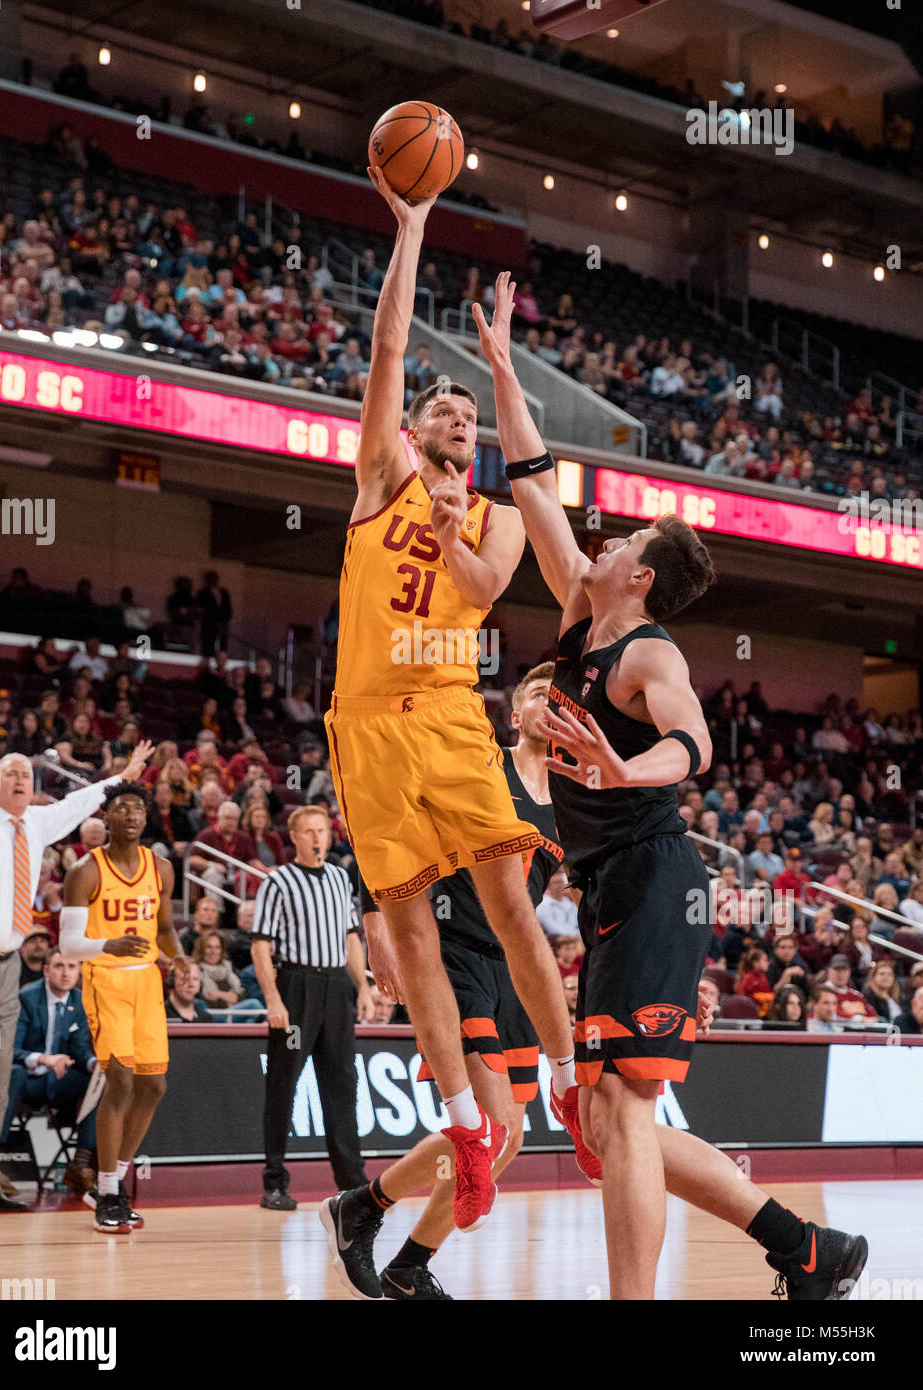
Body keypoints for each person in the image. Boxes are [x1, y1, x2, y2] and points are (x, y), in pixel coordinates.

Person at [472, 270, 867, 1302]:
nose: (603, 541)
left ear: (641, 575)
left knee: (627, 1116)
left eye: (625, 543)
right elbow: (529, 474)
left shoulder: (647, 657)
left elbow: (693, 744)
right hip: (607, 888)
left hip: (655, 878)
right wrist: (507, 372)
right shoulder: (575, 606)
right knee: (609, 1122)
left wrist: (620, 764)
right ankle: (810, 1249)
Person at [319, 166, 576, 1234]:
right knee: (411, 931)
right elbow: (384, 351)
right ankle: (465, 1127)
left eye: (468, 413)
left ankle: (567, 1076)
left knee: (512, 898)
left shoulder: (499, 519)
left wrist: (448, 513)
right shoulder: (379, 476)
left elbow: (477, 594)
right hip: (368, 724)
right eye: (442, 406)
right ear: (414, 427)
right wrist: (413, 226)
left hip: (451, 715)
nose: (455, 416)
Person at [322, 664, 567, 1301]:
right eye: (539, 694)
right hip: (449, 950)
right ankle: (366, 1210)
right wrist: (374, 916)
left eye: (560, 698)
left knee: (507, 1137)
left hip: (507, 966)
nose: (550, 704)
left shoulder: (574, 798)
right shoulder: (483, 762)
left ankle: (399, 1250)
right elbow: (386, 819)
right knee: (484, 1126)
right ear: (515, 715)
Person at [0, 686, 152, 1213]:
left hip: (7, 974)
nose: (22, 778)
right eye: (11, 773)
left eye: (27, 773)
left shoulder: (40, 824)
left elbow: (82, 800)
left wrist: (124, 777)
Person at [59, 781, 187, 1233]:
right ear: (106, 818)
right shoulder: (85, 871)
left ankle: (112, 1181)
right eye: (122, 808)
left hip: (148, 982)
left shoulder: (163, 869)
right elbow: (68, 946)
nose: (132, 815)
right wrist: (108, 943)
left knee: (154, 1087)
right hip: (104, 980)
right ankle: (108, 1190)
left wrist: (181, 957)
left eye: (138, 808)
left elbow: (167, 927)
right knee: (121, 1079)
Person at [250, 806, 373, 1213]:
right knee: (283, 1083)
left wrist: (363, 987)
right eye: (309, 831)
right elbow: (261, 944)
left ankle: (353, 1182)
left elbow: (352, 937)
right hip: (296, 984)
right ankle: (274, 1182)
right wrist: (272, 999)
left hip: (336, 985)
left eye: (323, 830)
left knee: (342, 1083)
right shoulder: (278, 882)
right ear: (295, 837)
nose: (318, 837)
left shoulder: (340, 877)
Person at [0, 948, 98, 1194]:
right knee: (14, 1073)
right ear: (46, 971)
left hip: (59, 1079)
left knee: (98, 1081)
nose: (66, 973)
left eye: (72, 967)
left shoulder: (80, 1001)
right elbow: (11, 1049)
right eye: (59, 966)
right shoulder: (27, 998)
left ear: (79, 972)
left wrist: (94, 1064)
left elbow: (78, 1050)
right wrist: (44, 1059)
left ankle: (80, 1163)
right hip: (28, 1080)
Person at [536, 865, 581, 938]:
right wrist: (573, 936)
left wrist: (577, 935)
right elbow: (551, 928)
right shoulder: (544, 904)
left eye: (561, 882)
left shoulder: (569, 902)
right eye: (556, 883)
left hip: (575, 938)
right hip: (557, 940)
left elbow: (576, 923)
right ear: (549, 886)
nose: (559, 886)